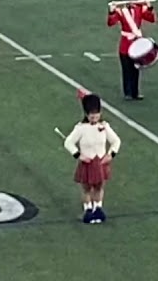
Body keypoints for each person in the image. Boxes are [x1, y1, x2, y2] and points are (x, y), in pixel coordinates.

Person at [64, 93, 121, 224]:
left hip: (100, 162)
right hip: (87, 162)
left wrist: (110, 155)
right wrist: (79, 155)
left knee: (99, 186)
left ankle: (98, 207)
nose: (95, 118)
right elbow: (68, 142)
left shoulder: (104, 126)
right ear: (86, 114)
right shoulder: (80, 128)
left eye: (97, 115)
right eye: (92, 115)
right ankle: (88, 209)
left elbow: (116, 141)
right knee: (86, 188)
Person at [108, 0, 157, 101]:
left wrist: (150, 8)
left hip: (137, 42)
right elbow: (111, 22)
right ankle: (128, 92)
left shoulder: (139, 8)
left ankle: (135, 92)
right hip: (125, 43)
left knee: (136, 68)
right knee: (127, 69)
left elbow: (151, 19)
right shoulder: (120, 10)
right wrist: (111, 12)